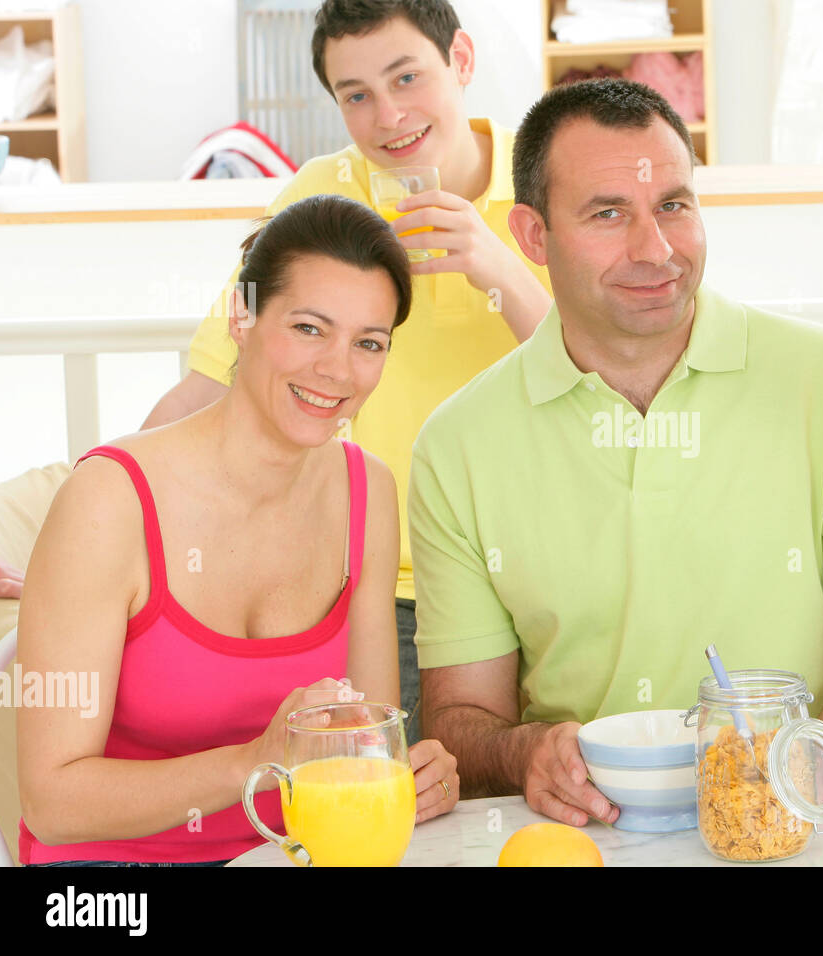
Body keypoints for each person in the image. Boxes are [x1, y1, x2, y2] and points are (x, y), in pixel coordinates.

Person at [409, 79, 823, 866]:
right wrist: (523, 754)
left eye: (674, 205)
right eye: (608, 214)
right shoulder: (457, 444)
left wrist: (788, 783)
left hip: (820, 826)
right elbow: (461, 716)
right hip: (580, 840)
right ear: (532, 236)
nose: (656, 250)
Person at [140, 0, 553, 743]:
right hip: (377, 594)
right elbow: (210, 386)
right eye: (355, 95)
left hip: (539, 581)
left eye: (406, 77)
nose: (388, 116)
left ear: (460, 60)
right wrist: (74, 526)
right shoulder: (320, 199)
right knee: (393, 797)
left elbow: (606, 379)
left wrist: (495, 266)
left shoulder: (547, 172)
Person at [17, 196, 459, 865]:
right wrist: (250, 764)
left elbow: (357, 746)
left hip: (300, 854)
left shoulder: (368, 491)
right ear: (242, 316)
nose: (338, 370)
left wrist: (412, 780)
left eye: (369, 343)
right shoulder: (109, 501)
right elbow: (51, 804)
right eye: (310, 328)